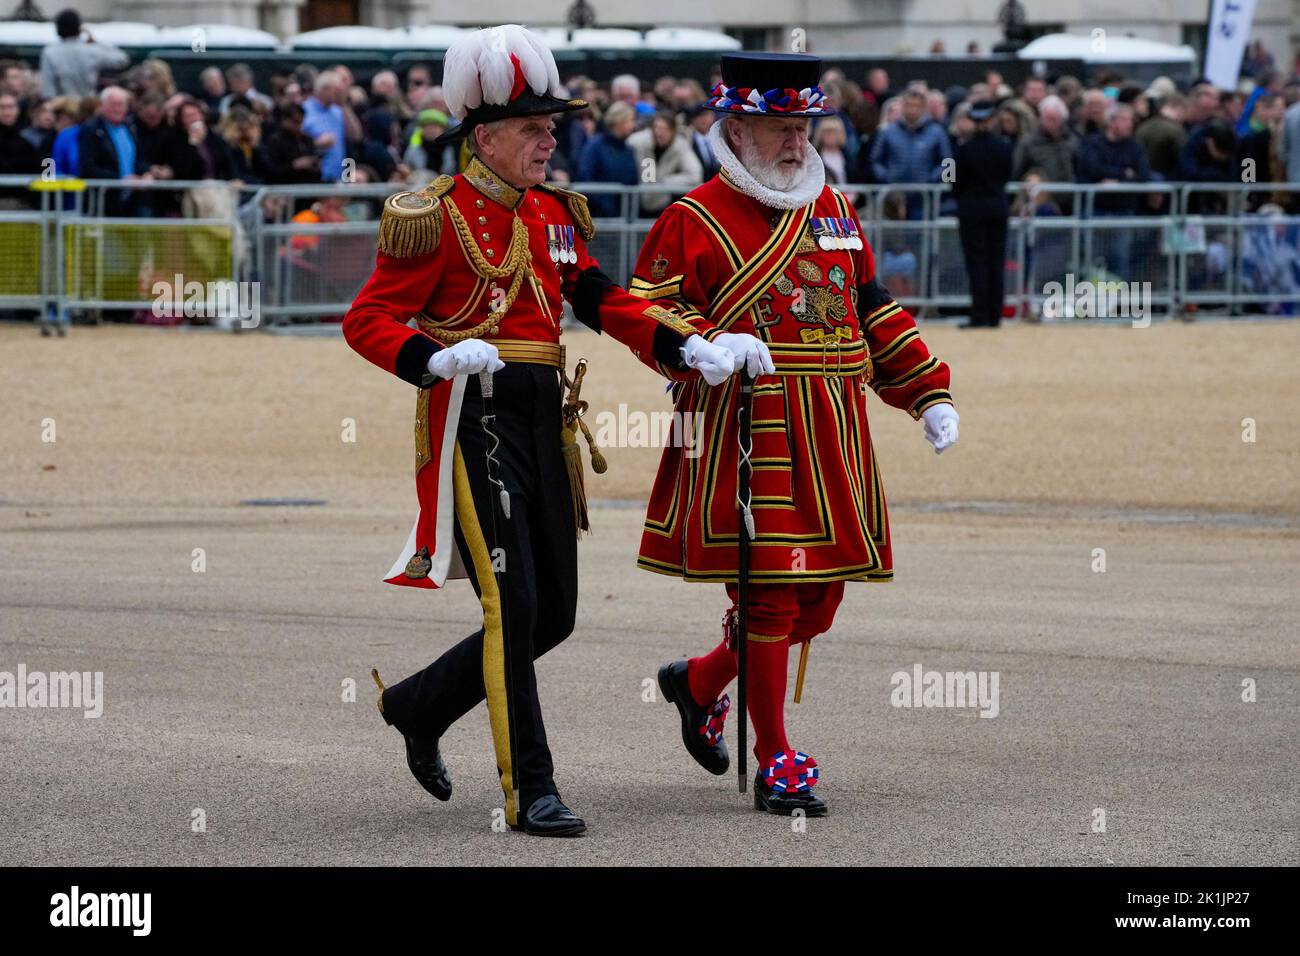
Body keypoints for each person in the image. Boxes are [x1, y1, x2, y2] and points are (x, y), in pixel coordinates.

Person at [342, 24, 740, 838]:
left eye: (552, 125)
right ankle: (532, 790)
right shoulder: (435, 215)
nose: (551, 138)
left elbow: (599, 299)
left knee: (552, 612)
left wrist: (679, 343)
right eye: (534, 127)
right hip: (472, 416)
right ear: (483, 137)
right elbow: (366, 318)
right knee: (512, 606)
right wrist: (433, 359)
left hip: (543, 418)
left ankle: (418, 706)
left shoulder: (556, 212)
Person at [629, 52, 959, 817]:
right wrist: (710, 342)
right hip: (753, 425)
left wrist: (925, 390)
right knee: (772, 601)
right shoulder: (693, 216)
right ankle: (775, 755)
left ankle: (703, 680)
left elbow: (871, 309)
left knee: (821, 603)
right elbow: (646, 309)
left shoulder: (834, 210)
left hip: (836, 424)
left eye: (803, 126)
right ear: (735, 130)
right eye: (779, 127)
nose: (794, 141)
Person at [953, 101, 1013, 328]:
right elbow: (1008, 174)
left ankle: (980, 314)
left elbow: (951, 179)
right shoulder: (1004, 147)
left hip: (971, 209)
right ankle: (995, 314)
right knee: (996, 262)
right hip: (997, 207)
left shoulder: (963, 149)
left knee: (977, 263)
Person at [39, 9, 129, 100]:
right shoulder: (91, 50)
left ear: (58, 28)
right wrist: (96, 42)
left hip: (62, 107)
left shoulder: (50, 52)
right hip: (87, 106)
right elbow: (122, 59)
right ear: (79, 27)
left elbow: (48, 89)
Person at [626, 111, 702, 217]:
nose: (659, 132)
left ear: (673, 131)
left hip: (662, 204)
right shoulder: (636, 143)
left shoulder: (680, 146)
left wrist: (665, 181)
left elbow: (694, 174)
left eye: (664, 129)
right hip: (635, 202)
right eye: (656, 128)